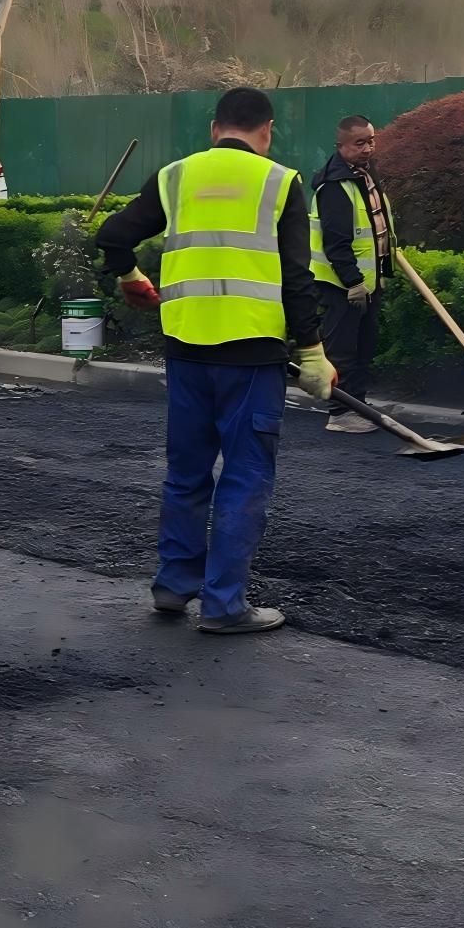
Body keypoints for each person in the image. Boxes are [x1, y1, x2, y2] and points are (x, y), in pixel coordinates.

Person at [96, 86, 334, 635]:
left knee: (186, 473)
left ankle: (173, 586)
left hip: (186, 352)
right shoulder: (281, 182)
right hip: (251, 359)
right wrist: (313, 352)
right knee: (245, 478)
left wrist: (130, 277)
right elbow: (297, 277)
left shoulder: (176, 176)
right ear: (267, 131)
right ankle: (225, 606)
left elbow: (113, 235)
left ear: (214, 129)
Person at [308, 114, 396, 433]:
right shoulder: (334, 186)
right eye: (360, 143)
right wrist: (353, 283)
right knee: (343, 350)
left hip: (365, 283)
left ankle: (357, 404)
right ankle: (340, 413)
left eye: (371, 141)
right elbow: (336, 243)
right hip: (342, 286)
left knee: (363, 347)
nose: (367, 148)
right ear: (341, 145)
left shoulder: (365, 174)